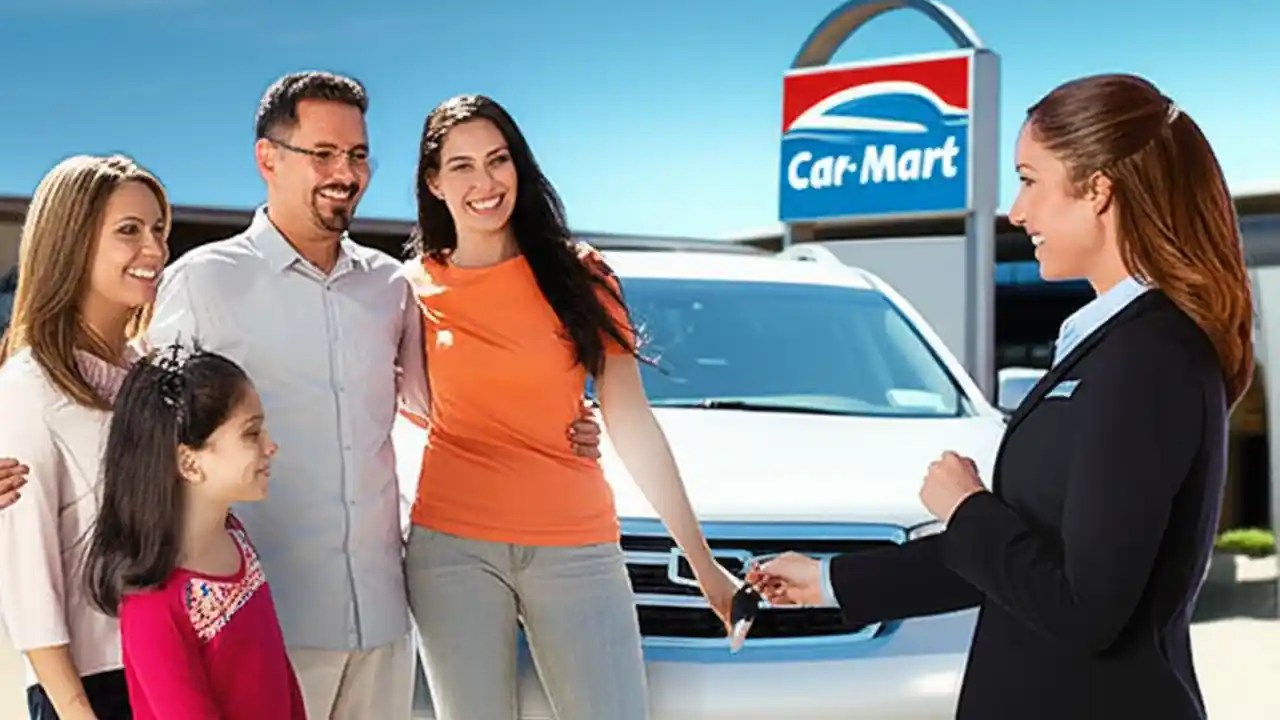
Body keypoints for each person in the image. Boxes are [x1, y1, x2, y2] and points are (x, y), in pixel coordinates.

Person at [748, 73, 1253, 720]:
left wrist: (968, 508)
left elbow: (1084, 609)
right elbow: (1014, 559)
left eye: (1030, 179)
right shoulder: (1115, 345)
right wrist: (826, 579)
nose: (1017, 211)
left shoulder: (1148, 358)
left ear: (1097, 189)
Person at [144, 71, 602, 720]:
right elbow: (150, 450)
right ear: (267, 159)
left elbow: (452, 403)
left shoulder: (389, 288)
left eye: (358, 155)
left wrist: (572, 418)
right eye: (323, 154)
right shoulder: (204, 285)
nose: (346, 172)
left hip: (384, 625)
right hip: (264, 622)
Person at [401, 93, 739, 720]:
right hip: (451, 548)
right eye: (463, 166)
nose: (485, 182)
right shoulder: (411, 290)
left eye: (498, 160)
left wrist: (702, 561)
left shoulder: (578, 273)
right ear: (433, 181)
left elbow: (632, 421)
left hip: (574, 542)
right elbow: (397, 401)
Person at [0, 154, 172, 720]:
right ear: (71, 242)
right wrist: (76, 710)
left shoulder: (150, 376)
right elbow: (27, 574)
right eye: (129, 231)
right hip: (93, 690)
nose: (154, 250)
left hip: (171, 670)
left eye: (157, 230)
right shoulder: (30, 386)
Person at [84, 344, 304, 719]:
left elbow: (280, 675)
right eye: (251, 434)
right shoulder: (153, 608)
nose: (271, 446)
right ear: (189, 461)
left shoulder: (235, 538)